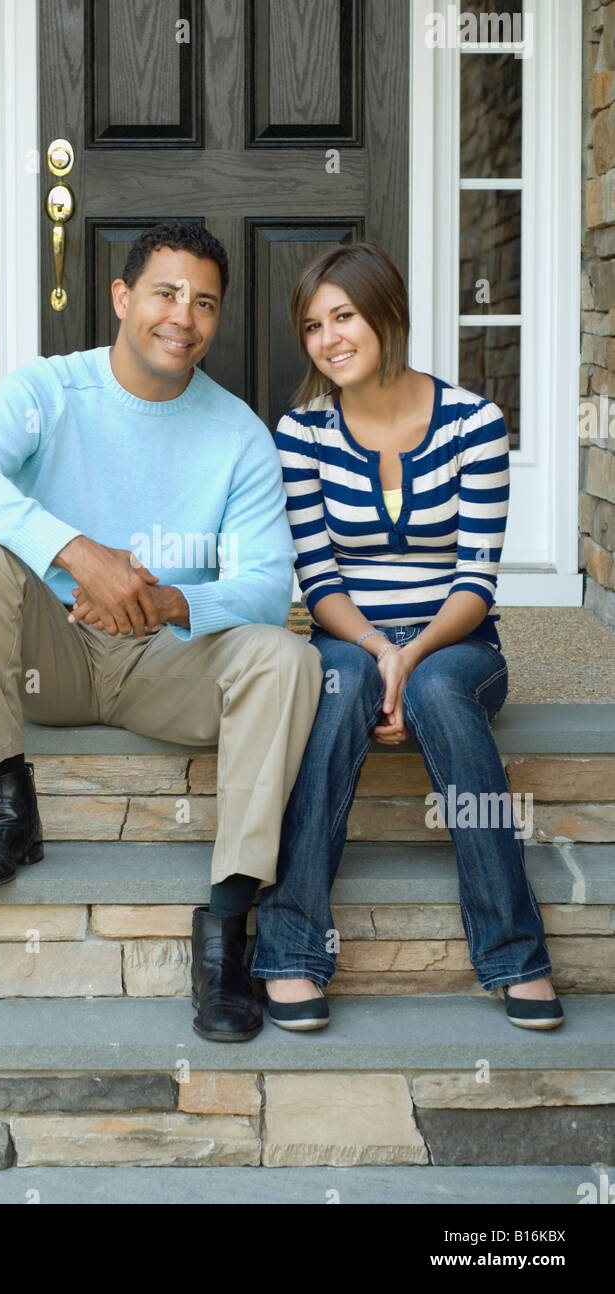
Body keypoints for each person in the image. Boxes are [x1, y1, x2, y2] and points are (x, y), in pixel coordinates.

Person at [0, 221, 323, 1043]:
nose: (184, 317)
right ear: (122, 297)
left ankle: (227, 928)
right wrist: (75, 554)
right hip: (53, 655)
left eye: (204, 303)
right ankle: (8, 803)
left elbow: (262, 583)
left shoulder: (238, 434)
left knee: (285, 657)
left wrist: (165, 601)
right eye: (166, 293)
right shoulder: (49, 391)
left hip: (168, 666)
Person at [248, 241, 563, 1032]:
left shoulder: (473, 423)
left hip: (454, 644)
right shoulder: (303, 433)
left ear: (388, 314)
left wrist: (410, 653)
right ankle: (289, 953)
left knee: (434, 689)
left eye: (344, 316)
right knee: (339, 684)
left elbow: (474, 583)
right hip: (348, 638)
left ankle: (514, 953)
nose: (329, 340)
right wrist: (376, 650)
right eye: (313, 326)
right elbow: (317, 582)